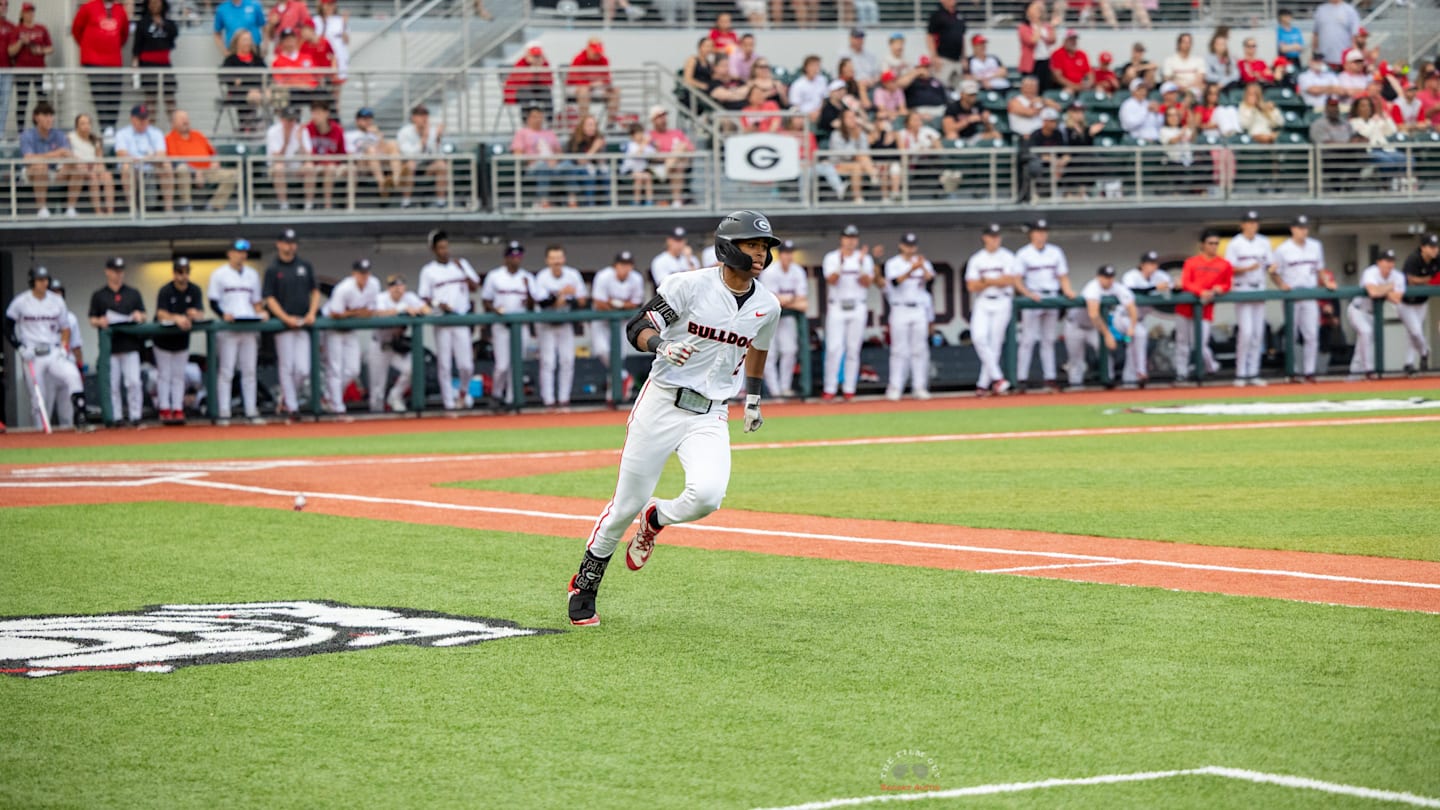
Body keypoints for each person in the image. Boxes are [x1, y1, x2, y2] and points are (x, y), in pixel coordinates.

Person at [565, 210, 782, 627]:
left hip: (711, 410)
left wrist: (753, 397)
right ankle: (586, 583)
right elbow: (638, 326)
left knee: (708, 496)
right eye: (752, 245)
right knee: (624, 504)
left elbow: (758, 346)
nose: (759, 253)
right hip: (661, 403)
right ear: (727, 247)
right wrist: (661, 345)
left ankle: (656, 518)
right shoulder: (688, 285)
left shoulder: (767, 305)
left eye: (764, 246)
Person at [5, 266, 89, 431]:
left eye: (46, 280)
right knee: (38, 397)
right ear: (32, 282)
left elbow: (65, 328)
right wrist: (19, 347)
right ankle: (40, 431)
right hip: (32, 353)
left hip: (53, 350)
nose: (44, 283)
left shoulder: (57, 301)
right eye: (40, 280)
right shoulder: (21, 301)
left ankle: (81, 417)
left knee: (72, 375)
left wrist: (64, 348)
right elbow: (7, 327)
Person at [967, 223, 1037, 395]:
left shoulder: (1007, 256)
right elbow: (971, 285)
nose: (995, 240)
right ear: (985, 238)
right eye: (992, 236)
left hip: (1002, 300)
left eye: (997, 236)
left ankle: (983, 385)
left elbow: (1009, 281)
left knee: (995, 344)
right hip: (983, 301)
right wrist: (994, 281)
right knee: (978, 337)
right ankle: (998, 379)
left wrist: (986, 281)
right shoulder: (977, 259)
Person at [1269, 214, 1337, 382]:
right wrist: (1281, 284)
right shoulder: (1283, 249)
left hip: (1310, 293)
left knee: (1311, 334)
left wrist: (1327, 282)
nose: (1303, 231)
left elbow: (1320, 269)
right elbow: (1273, 272)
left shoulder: (1315, 246)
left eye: (1305, 228)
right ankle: (1292, 371)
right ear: (1293, 229)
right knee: (1291, 334)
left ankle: (1309, 371)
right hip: (1291, 295)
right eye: (1300, 228)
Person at [418, 229, 480, 411]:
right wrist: (439, 303)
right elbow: (424, 297)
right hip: (442, 319)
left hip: (460, 318)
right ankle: (448, 403)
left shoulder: (460, 264)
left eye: (446, 247)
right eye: (440, 248)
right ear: (433, 249)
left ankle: (462, 392)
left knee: (466, 365)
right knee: (444, 364)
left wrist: (463, 271)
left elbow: (475, 286)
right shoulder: (428, 271)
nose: (444, 251)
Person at [207, 238, 266, 425]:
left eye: (244, 252)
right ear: (230, 253)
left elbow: (256, 301)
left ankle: (251, 410)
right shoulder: (219, 274)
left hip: (248, 325)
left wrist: (261, 312)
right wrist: (223, 314)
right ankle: (224, 412)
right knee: (226, 371)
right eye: (238, 251)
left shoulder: (252, 274)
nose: (241, 255)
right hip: (228, 328)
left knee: (249, 370)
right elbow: (213, 301)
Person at [262, 227, 320, 417]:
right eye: (286, 243)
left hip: (303, 322)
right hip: (283, 325)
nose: (290, 247)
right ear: (279, 244)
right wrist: (285, 318)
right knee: (287, 367)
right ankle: (292, 407)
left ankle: (287, 398)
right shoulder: (273, 269)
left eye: (293, 243)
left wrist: (312, 313)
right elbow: (269, 298)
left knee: (303, 369)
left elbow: (315, 291)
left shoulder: (305, 265)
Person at [1015, 219, 1075, 392]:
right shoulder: (1024, 253)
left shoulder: (1055, 252)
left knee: (1048, 340)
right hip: (1033, 295)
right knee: (1027, 339)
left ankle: (1050, 378)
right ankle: (1021, 379)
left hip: (1051, 295)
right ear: (1031, 234)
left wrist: (1068, 290)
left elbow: (1062, 276)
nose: (1041, 235)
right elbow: (1017, 280)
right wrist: (1027, 294)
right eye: (1038, 232)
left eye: (1044, 232)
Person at [87, 256, 147, 426]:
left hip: (130, 345)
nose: (118, 274)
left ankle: (136, 416)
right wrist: (101, 321)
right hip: (110, 348)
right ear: (107, 272)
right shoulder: (100, 295)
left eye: (120, 271)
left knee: (133, 382)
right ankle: (116, 418)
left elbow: (143, 315)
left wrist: (138, 316)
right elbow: (92, 319)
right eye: (115, 271)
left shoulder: (132, 293)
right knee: (112, 385)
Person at [531, 245, 589, 413]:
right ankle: (548, 400)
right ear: (547, 260)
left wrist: (561, 298)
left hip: (565, 323)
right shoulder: (542, 277)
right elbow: (543, 303)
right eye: (553, 258)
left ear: (563, 259)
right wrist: (562, 294)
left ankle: (564, 399)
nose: (556, 261)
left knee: (567, 360)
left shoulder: (572, 274)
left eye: (559, 258)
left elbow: (582, 301)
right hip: (546, 324)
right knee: (548, 362)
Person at [821, 224, 873, 402]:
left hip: (857, 306)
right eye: (847, 238)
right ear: (841, 239)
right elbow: (831, 280)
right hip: (837, 306)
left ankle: (850, 389)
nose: (850, 241)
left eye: (853, 238)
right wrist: (842, 265)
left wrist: (860, 265)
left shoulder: (864, 259)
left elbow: (867, 283)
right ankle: (830, 388)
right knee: (834, 348)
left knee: (853, 349)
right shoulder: (832, 257)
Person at [320, 258, 379, 414]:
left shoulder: (373, 284)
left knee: (353, 370)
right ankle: (337, 407)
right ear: (354, 274)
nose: (364, 276)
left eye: (366, 273)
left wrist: (352, 314)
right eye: (361, 273)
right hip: (332, 328)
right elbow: (335, 314)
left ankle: (327, 397)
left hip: (350, 329)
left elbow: (370, 311)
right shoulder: (344, 288)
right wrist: (356, 313)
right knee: (335, 369)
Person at [480, 240, 534, 409]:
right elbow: (486, 300)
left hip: (520, 325)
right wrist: (495, 309)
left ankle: (512, 399)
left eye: (519, 255)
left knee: (516, 364)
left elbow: (532, 306)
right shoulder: (495, 275)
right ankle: (496, 394)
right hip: (501, 326)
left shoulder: (527, 277)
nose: (516, 258)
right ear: (506, 258)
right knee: (502, 366)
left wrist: (529, 291)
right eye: (512, 255)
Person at [1174, 229, 1234, 383]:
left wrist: (1220, 289)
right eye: (1210, 243)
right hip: (1185, 307)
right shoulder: (1191, 262)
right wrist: (1201, 291)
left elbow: (1227, 284)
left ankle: (1210, 367)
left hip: (1205, 309)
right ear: (1202, 245)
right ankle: (1181, 372)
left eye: (1216, 243)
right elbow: (1186, 282)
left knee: (1200, 343)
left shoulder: (1224, 264)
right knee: (1182, 342)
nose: (1213, 246)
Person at [1064, 265, 1139, 388]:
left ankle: (1108, 382)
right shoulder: (1092, 288)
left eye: (1111, 277)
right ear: (1098, 277)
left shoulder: (1117, 287)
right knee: (1075, 359)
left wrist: (1132, 327)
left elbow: (1131, 307)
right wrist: (1107, 335)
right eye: (1105, 277)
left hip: (1093, 328)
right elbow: (1093, 315)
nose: (1108, 280)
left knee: (1104, 352)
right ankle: (1075, 387)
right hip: (1076, 325)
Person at [1225, 210, 1276, 387]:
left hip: (1259, 288)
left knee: (1257, 333)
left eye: (1255, 222)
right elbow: (1229, 269)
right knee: (1245, 332)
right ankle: (1240, 373)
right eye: (1249, 222)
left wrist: (1272, 268)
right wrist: (1247, 268)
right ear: (1242, 224)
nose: (1252, 225)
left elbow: (1270, 264)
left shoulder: (1264, 242)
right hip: (1242, 288)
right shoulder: (1235, 243)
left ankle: (1253, 372)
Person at [883, 232, 935, 401]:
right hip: (900, 308)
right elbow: (895, 282)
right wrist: (912, 269)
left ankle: (919, 386)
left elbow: (931, 280)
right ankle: (895, 386)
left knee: (919, 349)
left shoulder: (923, 262)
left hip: (918, 308)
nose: (910, 248)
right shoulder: (894, 263)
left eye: (912, 245)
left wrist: (923, 268)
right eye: (907, 245)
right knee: (899, 350)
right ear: (901, 245)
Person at [590, 250, 645, 405]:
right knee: (602, 351)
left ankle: (611, 396)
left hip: (621, 323)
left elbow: (635, 303)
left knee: (618, 358)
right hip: (601, 322)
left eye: (628, 265)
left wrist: (614, 303)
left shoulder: (636, 278)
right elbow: (599, 303)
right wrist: (622, 305)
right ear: (615, 265)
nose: (625, 268)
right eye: (622, 265)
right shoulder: (604, 276)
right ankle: (624, 376)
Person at [368, 274, 429, 413]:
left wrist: (417, 310)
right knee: (377, 385)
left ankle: (395, 397)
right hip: (380, 344)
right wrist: (401, 309)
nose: (398, 288)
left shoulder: (410, 297)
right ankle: (375, 414)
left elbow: (427, 310)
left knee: (413, 368)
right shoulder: (381, 298)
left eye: (401, 285)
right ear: (389, 288)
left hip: (396, 344)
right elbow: (379, 313)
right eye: (394, 286)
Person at [153, 256, 203, 425]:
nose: (183, 276)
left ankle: (178, 408)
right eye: (180, 272)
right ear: (174, 273)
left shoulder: (194, 290)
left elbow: (201, 312)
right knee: (164, 375)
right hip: (163, 341)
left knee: (178, 376)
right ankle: (165, 408)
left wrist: (195, 314)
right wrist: (177, 318)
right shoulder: (166, 290)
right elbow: (160, 313)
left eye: (186, 272)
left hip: (182, 341)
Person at [758, 239, 807, 398]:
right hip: (770, 318)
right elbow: (772, 301)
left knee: (790, 351)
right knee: (770, 354)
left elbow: (803, 303)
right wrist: (791, 300)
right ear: (780, 255)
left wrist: (786, 300)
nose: (788, 256)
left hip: (786, 319)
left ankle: (785, 387)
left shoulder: (798, 271)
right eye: (786, 253)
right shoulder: (770, 272)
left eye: (790, 253)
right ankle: (775, 390)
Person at [71, 0, 129, 132]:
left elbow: (124, 35)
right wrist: (89, 47)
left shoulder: (120, 10)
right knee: (100, 95)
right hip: (94, 60)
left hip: (114, 61)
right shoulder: (88, 8)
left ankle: (111, 128)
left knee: (115, 96)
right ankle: (105, 129)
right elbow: (76, 30)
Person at [1347, 249, 1404, 380]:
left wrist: (1381, 290)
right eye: (1386, 261)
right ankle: (1369, 371)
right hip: (1358, 310)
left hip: (1373, 315)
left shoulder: (1398, 276)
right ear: (1379, 262)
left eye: (1392, 261)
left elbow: (1396, 299)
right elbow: (1373, 292)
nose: (1389, 264)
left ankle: (1352, 378)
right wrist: (1389, 287)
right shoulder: (1371, 272)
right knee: (1365, 333)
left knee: (1362, 346)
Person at [20, 101, 83, 219]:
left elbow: (67, 154)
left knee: (78, 167)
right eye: (45, 115)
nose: (49, 119)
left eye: (51, 115)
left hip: (55, 172)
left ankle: (70, 209)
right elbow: (28, 158)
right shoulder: (27, 135)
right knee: (40, 166)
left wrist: (69, 157)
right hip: (31, 172)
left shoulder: (59, 135)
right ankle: (42, 209)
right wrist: (56, 154)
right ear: (36, 117)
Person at [166, 109, 238, 211]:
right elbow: (175, 160)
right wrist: (196, 172)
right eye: (182, 119)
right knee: (182, 169)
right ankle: (186, 206)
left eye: (186, 118)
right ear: (173, 123)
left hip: (207, 170)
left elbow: (213, 153)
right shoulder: (169, 138)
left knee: (233, 174)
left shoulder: (198, 135)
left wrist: (215, 162)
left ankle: (213, 206)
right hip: (188, 172)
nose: (186, 121)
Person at [1120, 250, 1171, 387]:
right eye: (1149, 264)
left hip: (1140, 319)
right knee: (1140, 336)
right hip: (1123, 317)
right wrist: (1154, 287)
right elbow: (1133, 291)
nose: (1152, 267)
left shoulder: (1161, 276)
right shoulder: (1131, 276)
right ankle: (1140, 372)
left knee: (1132, 347)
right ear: (1142, 265)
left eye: (1155, 264)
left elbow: (1172, 289)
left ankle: (1130, 380)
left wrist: (1176, 286)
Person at [114, 103, 175, 214]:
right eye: (140, 119)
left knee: (166, 165)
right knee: (126, 166)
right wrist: (145, 159)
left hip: (151, 166)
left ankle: (168, 209)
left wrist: (144, 159)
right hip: (133, 167)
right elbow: (122, 154)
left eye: (145, 118)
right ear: (132, 119)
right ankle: (132, 208)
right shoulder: (122, 134)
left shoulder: (156, 133)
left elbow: (161, 154)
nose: (143, 122)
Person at [1398, 233, 1438, 374]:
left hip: (1422, 302)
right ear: (1423, 248)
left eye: (1435, 247)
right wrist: (1428, 280)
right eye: (1431, 247)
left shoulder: (1436, 260)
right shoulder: (1413, 258)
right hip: (1405, 303)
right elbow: (1411, 280)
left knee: (1412, 334)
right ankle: (1424, 350)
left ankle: (1409, 363)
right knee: (1415, 331)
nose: (1434, 250)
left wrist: (1428, 281)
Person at [509, 105, 562, 209]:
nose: (538, 119)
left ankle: (573, 201)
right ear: (528, 119)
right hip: (533, 167)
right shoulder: (522, 133)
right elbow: (517, 153)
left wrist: (555, 160)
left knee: (569, 165)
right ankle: (544, 201)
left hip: (553, 165)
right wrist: (536, 160)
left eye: (540, 117)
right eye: (535, 116)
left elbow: (559, 152)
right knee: (543, 166)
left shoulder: (550, 133)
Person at [396, 103, 448, 209]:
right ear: (413, 117)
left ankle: (441, 202)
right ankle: (406, 202)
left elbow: (437, 155)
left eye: (425, 114)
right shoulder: (404, 132)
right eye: (420, 115)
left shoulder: (433, 131)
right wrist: (423, 140)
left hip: (427, 166)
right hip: (410, 166)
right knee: (410, 165)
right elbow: (408, 154)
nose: (424, 118)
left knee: (441, 165)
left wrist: (437, 139)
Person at [11, 1, 52, 134]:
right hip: (22, 69)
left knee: (42, 100)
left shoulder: (41, 28)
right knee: (22, 100)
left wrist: (41, 51)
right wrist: (21, 42)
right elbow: (10, 51)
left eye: (31, 11)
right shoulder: (17, 30)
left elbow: (51, 48)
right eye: (27, 12)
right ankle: (20, 131)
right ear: (22, 13)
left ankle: (41, 128)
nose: (30, 14)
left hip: (39, 69)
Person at [264, 107, 316, 210]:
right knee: (279, 168)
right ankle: (284, 205)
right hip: (278, 167)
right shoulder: (273, 132)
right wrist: (286, 142)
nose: (291, 123)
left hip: (297, 167)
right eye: (288, 120)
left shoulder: (302, 131)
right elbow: (277, 159)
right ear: (281, 120)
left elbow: (308, 157)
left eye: (293, 120)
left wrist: (300, 141)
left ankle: (309, 205)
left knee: (309, 167)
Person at [132, 0, 178, 114]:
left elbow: (174, 35)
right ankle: (150, 127)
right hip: (147, 64)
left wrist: (163, 24)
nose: (155, 6)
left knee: (170, 96)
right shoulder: (142, 23)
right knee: (150, 99)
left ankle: (175, 127)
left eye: (157, 3)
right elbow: (137, 46)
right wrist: (135, 64)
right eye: (152, 3)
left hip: (164, 63)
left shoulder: (169, 23)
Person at [303, 99, 349, 210]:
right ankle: (308, 205)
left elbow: (342, 152)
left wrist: (332, 161)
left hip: (333, 164)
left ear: (326, 113)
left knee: (333, 168)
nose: (315, 116)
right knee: (313, 168)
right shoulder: (307, 129)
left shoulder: (338, 130)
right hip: (316, 164)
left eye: (318, 113)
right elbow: (307, 153)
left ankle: (328, 206)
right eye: (313, 113)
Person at [345, 107, 401, 197]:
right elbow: (350, 154)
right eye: (364, 119)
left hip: (377, 161)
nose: (367, 121)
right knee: (371, 149)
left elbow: (383, 151)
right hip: (361, 162)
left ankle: (396, 180)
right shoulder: (350, 135)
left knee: (393, 144)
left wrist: (378, 135)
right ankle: (382, 183)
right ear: (357, 121)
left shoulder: (374, 134)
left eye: (369, 119)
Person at [67, 112, 116, 215]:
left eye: (88, 123)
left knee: (107, 175)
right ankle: (98, 212)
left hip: (93, 168)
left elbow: (100, 161)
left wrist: (99, 168)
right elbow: (68, 156)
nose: (86, 126)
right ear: (77, 126)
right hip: (77, 169)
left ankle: (110, 212)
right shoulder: (70, 138)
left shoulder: (95, 141)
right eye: (83, 123)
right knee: (93, 176)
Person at [221, 28, 268, 133]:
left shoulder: (257, 59)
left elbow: (265, 75)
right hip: (239, 93)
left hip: (257, 90)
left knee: (271, 94)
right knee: (253, 96)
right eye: (245, 40)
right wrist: (235, 80)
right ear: (237, 42)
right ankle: (249, 125)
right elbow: (223, 76)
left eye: (249, 40)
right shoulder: (231, 60)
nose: (248, 43)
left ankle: (259, 122)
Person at [567, 37, 619, 121]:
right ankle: (584, 123)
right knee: (583, 91)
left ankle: (611, 124)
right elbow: (576, 79)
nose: (597, 54)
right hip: (576, 88)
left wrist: (605, 86)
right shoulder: (579, 59)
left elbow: (607, 79)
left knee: (615, 91)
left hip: (596, 88)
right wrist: (591, 85)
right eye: (595, 52)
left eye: (599, 52)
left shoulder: (604, 60)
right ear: (588, 49)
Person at [502, 45, 554, 117]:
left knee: (546, 92)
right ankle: (526, 122)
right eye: (534, 56)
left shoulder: (544, 64)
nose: (536, 58)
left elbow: (549, 82)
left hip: (536, 91)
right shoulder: (520, 64)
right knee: (525, 93)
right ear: (528, 56)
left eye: (538, 56)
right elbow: (521, 83)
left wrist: (540, 70)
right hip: (519, 92)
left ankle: (550, 121)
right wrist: (532, 69)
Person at [926, 0, 966, 91]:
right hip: (943, 59)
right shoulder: (937, 16)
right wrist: (934, 57)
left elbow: (962, 37)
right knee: (941, 87)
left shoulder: (959, 15)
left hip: (957, 60)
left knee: (958, 89)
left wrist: (964, 57)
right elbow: (930, 36)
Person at [1018, 0, 1057, 92]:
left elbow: (1052, 40)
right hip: (1032, 64)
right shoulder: (1023, 27)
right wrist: (1038, 25)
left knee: (1045, 87)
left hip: (1045, 61)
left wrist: (1053, 27)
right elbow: (1032, 41)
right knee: (1032, 89)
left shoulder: (1046, 26)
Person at [1312, 0, 1360, 71]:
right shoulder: (1321, 10)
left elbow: (1355, 37)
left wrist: (1354, 60)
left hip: (1344, 62)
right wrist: (1314, 55)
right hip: (1323, 61)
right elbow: (1315, 35)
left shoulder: (1350, 11)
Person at [1008, 75, 1057, 140]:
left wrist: (1043, 101)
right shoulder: (1015, 101)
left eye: (1034, 86)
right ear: (1022, 87)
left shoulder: (1041, 100)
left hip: (1043, 136)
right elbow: (1030, 113)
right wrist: (1039, 105)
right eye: (1029, 86)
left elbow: (1057, 108)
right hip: (1023, 136)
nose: (1031, 88)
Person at [315, 0, 348, 92]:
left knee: (336, 91)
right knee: (321, 91)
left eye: (332, 4)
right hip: (322, 61)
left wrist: (344, 25)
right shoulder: (316, 20)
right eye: (328, 4)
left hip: (337, 61)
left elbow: (346, 40)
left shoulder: (339, 20)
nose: (330, 7)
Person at [1163, 32, 1205, 97]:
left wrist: (1188, 88)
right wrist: (1180, 87)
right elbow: (1167, 78)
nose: (1187, 45)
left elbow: (1200, 79)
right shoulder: (1170, 60)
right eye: (1184, 42)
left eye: (1189, 42)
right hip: (1176, 89)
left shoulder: (1198, 60)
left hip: (1193, 89)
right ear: (1179, 44)